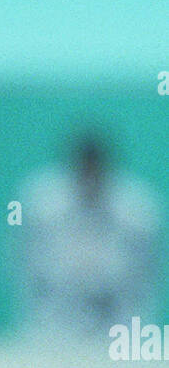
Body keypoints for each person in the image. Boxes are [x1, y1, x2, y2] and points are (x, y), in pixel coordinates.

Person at [15, 136, 162, 343]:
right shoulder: (42, 205)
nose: (90, 179)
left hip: (119, 326)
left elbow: (146, 278)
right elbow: (26, 269)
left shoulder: (137, 213)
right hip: (51, 326)